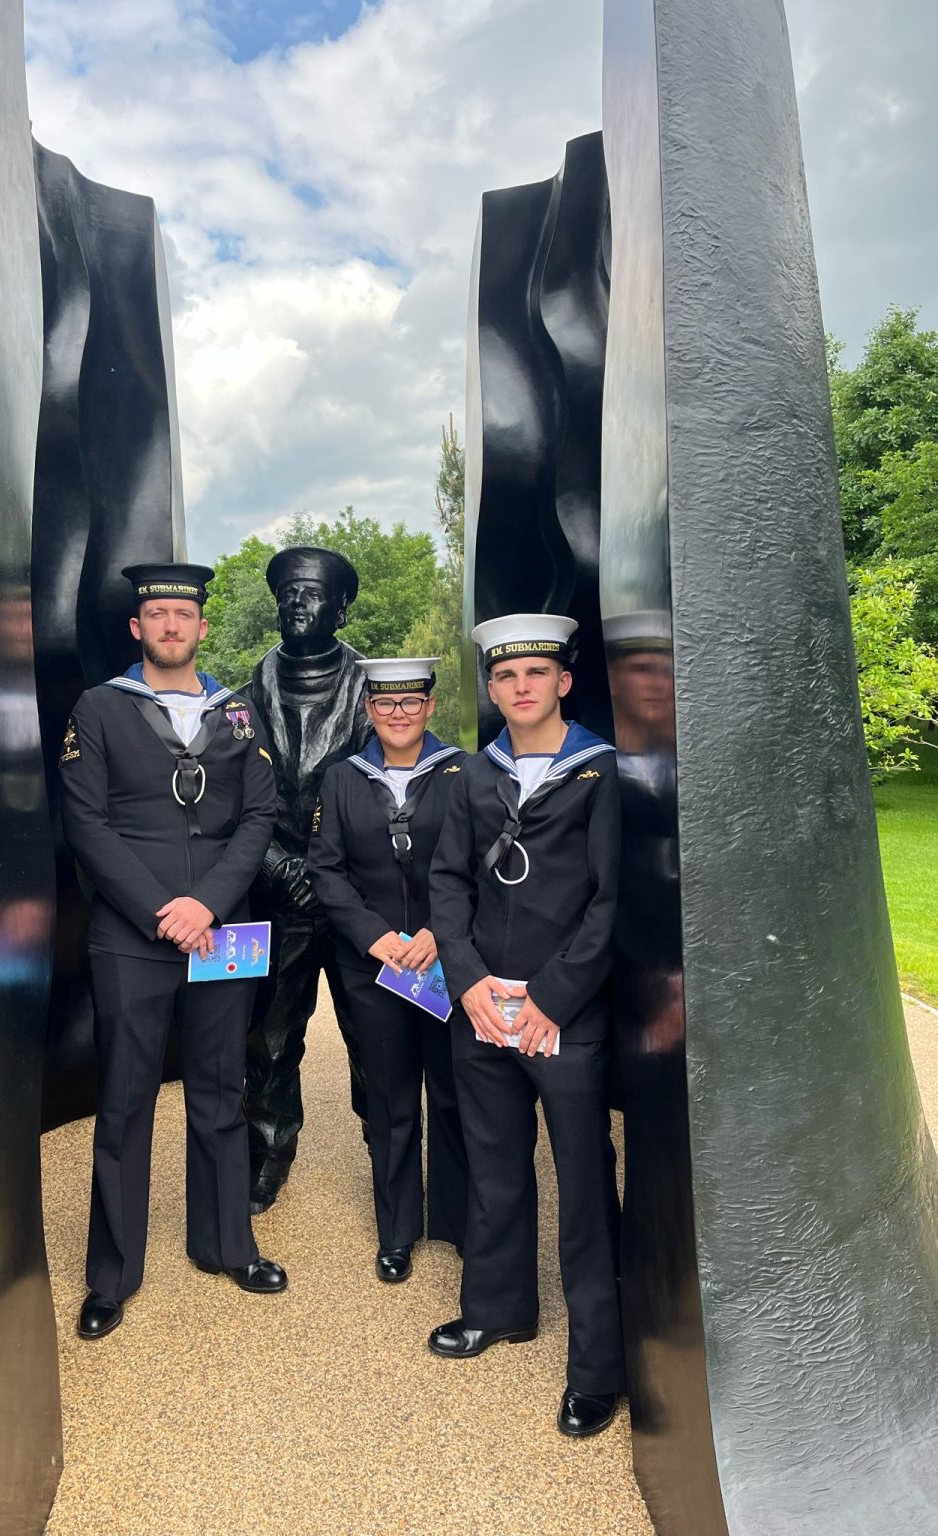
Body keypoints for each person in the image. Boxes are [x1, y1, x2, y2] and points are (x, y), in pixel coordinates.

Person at [60, 562, 288, 1341]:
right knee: (124, 1101)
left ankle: (227, 1243)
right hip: (132, 936)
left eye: (182, 616)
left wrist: (207, 904)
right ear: (137, 629)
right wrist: (164, 910)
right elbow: (86, 823)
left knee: (222, 1091)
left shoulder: (238, 713)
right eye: (155, 614)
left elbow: (259, 817)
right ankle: (111, 1276)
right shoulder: (97, 709)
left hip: (220, 932)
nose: (169, 626)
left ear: (200, 627)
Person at [427, 613, 625, 1438]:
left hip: (561, 1019)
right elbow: (446, 885)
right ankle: (497, 1309)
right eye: (505, 678)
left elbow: (610, 902)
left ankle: (598, 1369)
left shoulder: (601, 773)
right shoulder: (474, 775)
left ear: (563, 682)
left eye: (535, 674)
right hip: (482, 1014)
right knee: (495, 1168)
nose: (519, 688)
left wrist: (550, 1000)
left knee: (584, 1188)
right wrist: (468, 983)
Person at [307, 658, 469, 1282]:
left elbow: (479, 864)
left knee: (453, 1095)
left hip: (445, 962)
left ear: (430, 706)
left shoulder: (462, 773)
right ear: (369, 710)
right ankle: (397, 1231)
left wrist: (439, 933)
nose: (397, 713)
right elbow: (326, 868)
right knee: (392, 1098)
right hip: (373, 967)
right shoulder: (342, 779)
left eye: (410, 702)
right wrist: (375, 937)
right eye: (384, 704)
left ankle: (456, 1222)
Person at [241, 546, 373, 1212]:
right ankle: (267, 1155)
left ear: (341, 606)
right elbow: (227, 804)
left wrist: (332, 873)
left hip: (354, 901)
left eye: (313, 593)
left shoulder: (376, 696)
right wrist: (275, 865)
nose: (297, 601)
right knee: (267, 1038)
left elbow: (393, 797)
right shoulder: (242, 702)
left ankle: (393, 1157)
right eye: (287, 591)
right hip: (278, 895)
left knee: (377, 1038)